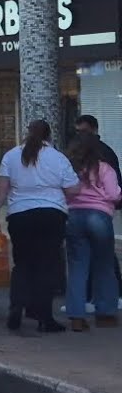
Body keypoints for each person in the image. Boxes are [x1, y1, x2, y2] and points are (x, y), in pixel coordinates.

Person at [0, 119, 81, 333]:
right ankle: (44, 317)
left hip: (20, 216)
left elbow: (2, 188)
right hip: (51, 215)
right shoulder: (58, 158)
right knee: (46, 265)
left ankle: (17, 306)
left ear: (26, 133)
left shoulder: (11, 156)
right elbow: (73, 190)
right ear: (50, 136)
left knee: (22, 264)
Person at [63, 135, 122, 330]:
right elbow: (114, 194)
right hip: (99, 216)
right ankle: (105, 313)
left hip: (73, 216)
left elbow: (65, 191)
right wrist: (104, 196)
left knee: (77, 267)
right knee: (104, 266)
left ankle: (76, 316)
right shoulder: (105, 168)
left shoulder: (71, 170)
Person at [73, 115, 122, 310]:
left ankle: (84, 302)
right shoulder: (99, 155)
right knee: (103, 256)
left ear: (93, 130)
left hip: (82, 211)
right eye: (77, 131)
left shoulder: (94, 154)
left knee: (86, 258)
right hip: (99, 211)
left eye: (82, 131)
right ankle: (106, 300)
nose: (79, 135)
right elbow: (114, 190)